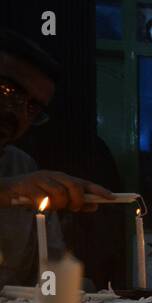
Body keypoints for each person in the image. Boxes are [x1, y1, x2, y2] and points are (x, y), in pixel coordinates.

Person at [1, 29, 112, 286]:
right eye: (7, 90)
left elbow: (51, 265)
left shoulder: (22, 165)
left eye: (32, 107)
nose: (17, 114)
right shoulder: (22, 178)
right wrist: (8, 189)